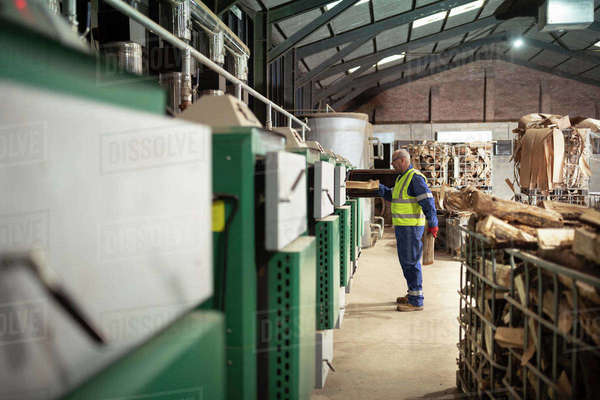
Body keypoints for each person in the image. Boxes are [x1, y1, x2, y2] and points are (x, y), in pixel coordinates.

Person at [378, 149, 438, 312]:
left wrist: (433, 223)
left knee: (411, 262)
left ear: (403, 160)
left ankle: (417, 300)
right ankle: (412, 293)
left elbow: (428, 201)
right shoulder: (401, 178)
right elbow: (394, 196)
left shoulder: (415, 178)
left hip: (411, 228)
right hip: (403, 227)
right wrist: (379, 188)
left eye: (394, 162)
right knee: (406, 262)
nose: (392, 165)